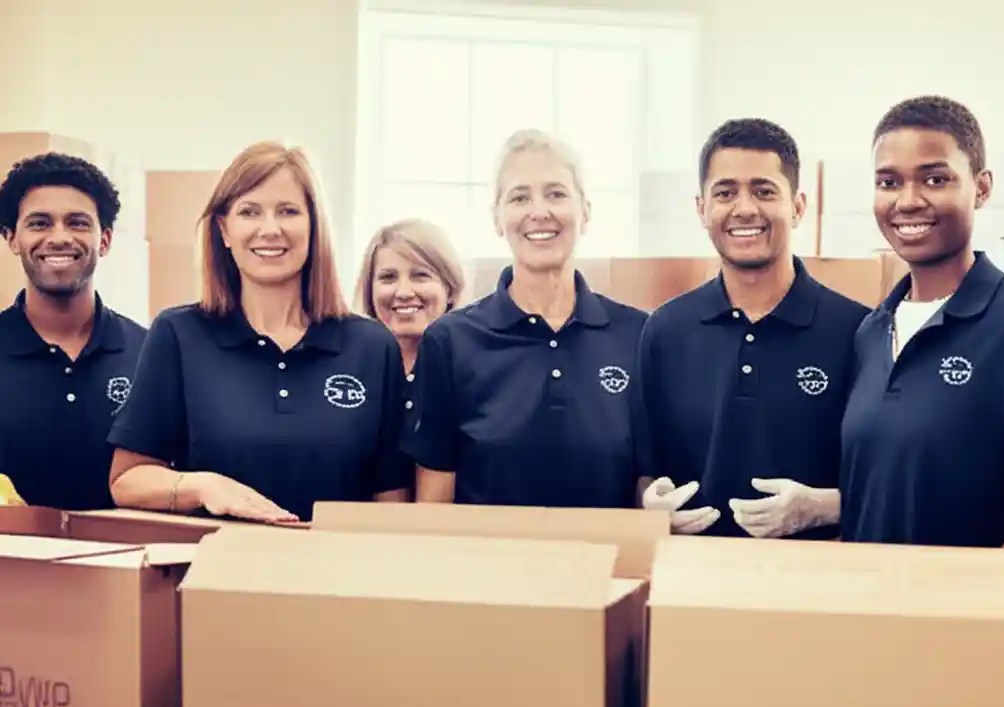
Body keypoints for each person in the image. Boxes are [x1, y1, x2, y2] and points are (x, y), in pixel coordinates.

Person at [107, 141, 411, 522]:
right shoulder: (178, 335)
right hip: (212, 574)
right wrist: (204, 486)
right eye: (249, 212)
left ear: (314, 226)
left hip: (336, 575)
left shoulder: (372, 346)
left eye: (288, 211)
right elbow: (126, 480)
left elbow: (391, 497)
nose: (270, 229)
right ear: (224, 230)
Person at [838, 97, 1004, 548]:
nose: (909, 201)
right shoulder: (870, 331)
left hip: (963, 610)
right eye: (888, 182)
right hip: (867, 605)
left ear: (981, 188)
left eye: (935, 179)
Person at [635, 118, 871, 538]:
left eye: (764, 191)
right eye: (725, 193)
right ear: (701, 208)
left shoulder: (857, 331)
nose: (744, 208)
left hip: (818, 584)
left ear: (798, 207)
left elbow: (879, 476)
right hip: (690, 582)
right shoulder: (666, 330)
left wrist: (824, 507)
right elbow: (644, 465)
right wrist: (652, 508)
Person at [401, 129, 647, 508]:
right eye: (519, 197)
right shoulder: (451, 341)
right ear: (498, 218)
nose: (539, 211)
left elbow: (645, 481)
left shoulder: (638, 336)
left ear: (586, 212)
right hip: (489, 565)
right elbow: (434, 505)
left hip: (607, 564)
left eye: (556, 194)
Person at [0, 152, 146, 511]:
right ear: (11, 238)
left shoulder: (150, 352)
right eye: (39, 223)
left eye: (78, 223)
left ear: (105, 239)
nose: (59, 237)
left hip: (129, 562)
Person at [354, 218, 466, 375]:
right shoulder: (348, 369)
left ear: (450, 288)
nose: (404, 292)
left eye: (420, 275)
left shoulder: (475, 368)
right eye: (388, 277)